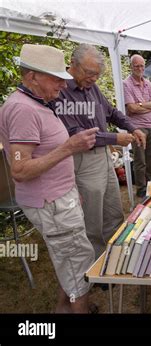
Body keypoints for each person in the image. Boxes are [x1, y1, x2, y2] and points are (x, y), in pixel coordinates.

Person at [0, 44, 98, 313]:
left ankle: (63, 307)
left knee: (68, 260)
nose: (63, 85)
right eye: (56, 78)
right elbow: (20, 170)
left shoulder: (34, 102)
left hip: (57, 198)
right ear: (32, 77)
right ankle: (78, 308)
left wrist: (70, 187)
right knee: (77, 263)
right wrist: (69, 147)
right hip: (51, 204)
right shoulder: (23, 110)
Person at [57, 44, 146, 259]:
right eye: (90, 73)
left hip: (103, 156)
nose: (94, 78)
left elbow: (112, 112)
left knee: (113, 210)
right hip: (83, 160)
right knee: (92, 217)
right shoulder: (61, 92)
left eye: (97, 74)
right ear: (73, 64)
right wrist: (115, 138)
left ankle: (115, 257)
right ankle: (96, 263)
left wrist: (132, 127)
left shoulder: (92, 87)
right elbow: (77, 134)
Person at [123, 54, 151, 197]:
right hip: (137, 127)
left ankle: (149, 183)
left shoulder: (148, 82)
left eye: (141, 66)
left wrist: (140, 105)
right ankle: (141, 188)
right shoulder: (126, 84)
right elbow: (132, 108)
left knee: (150, 156)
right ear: (131, 67)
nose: (139, 68)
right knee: (140, 159)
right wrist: (149, 106)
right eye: (136, 66)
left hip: (150, 125)